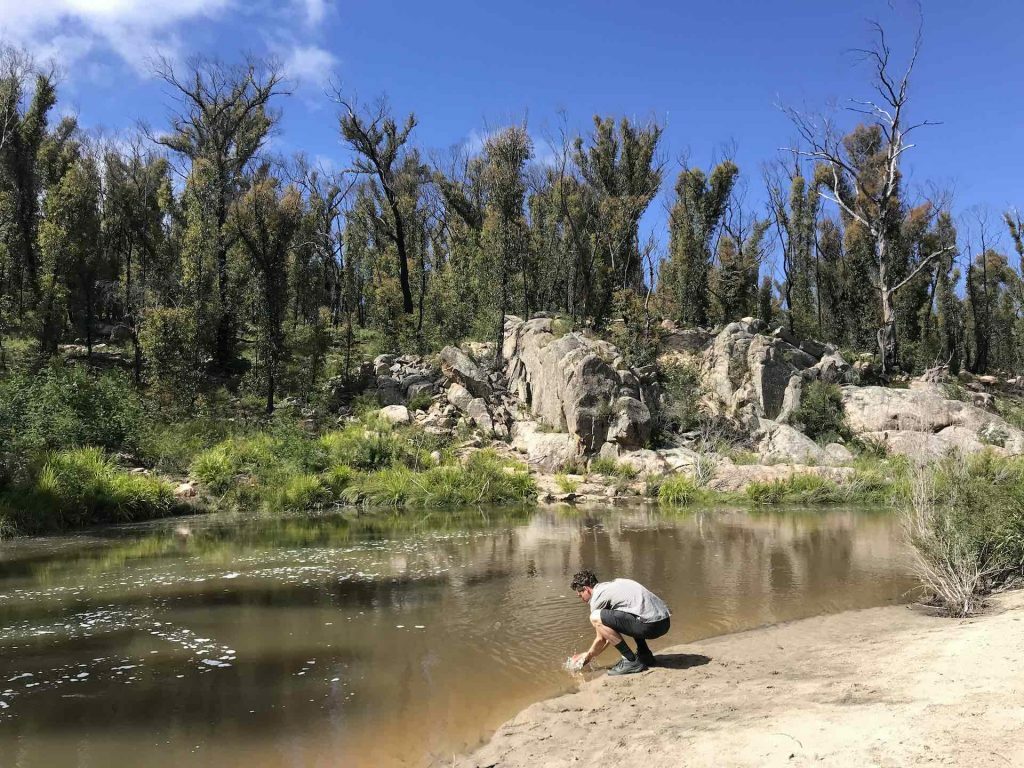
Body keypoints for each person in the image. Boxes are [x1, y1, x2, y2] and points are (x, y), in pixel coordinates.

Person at [569, 569, 671, 676]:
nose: (582, 600)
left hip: (650, 627)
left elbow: (602, 639)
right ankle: (644, 654)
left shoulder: (597, 597)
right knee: (629, 610)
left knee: (595, 617)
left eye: (580, 595)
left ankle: (630, 660)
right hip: (664, 622)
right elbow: (610, 635)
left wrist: (586, 658)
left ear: (586, 589)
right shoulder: (617, 583)